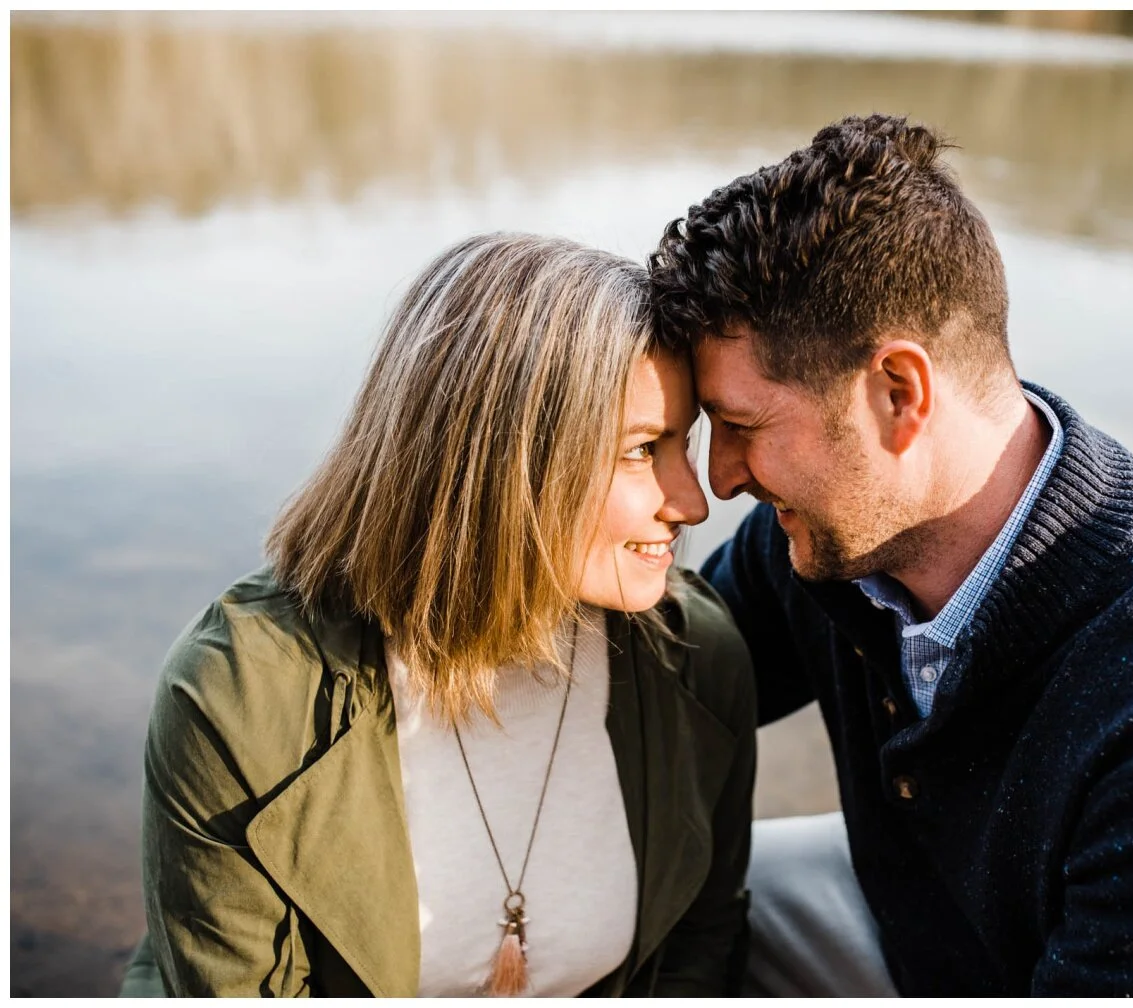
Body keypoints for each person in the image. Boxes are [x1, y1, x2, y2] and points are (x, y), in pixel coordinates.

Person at [648, 114, 1133, 996]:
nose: (722, 479)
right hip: (926, 942)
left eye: (741, 426)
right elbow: (660, 675)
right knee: (634, 917)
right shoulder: (826, 539)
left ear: (899, 393)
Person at [120, 233, 756, 997]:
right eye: (642, 450)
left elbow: (699, 946)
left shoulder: (693, 656)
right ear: (502, 461)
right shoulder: (242, 696)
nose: (692, 503)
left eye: (682, 444)